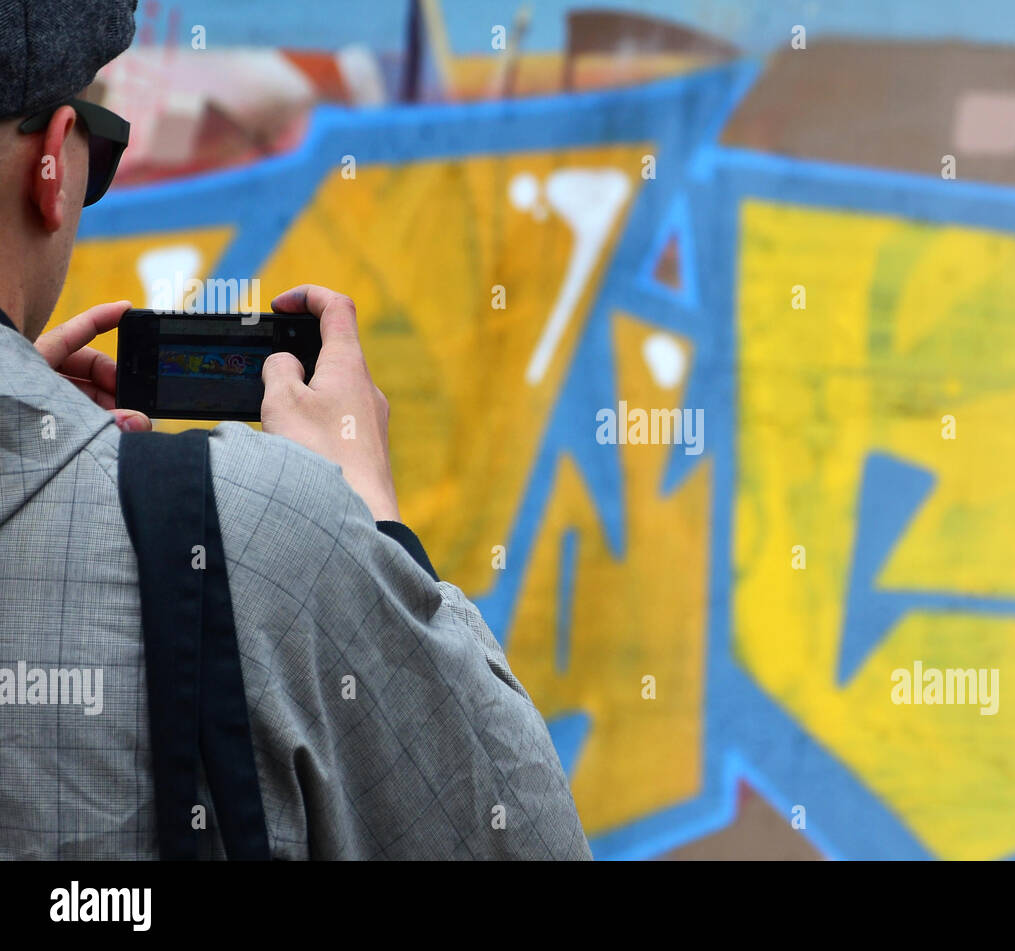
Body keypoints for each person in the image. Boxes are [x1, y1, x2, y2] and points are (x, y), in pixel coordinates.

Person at [0, 0, 591, 859]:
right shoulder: (258, 541)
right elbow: (520, 838)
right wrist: (369, 528)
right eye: (102, 149)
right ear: (52, 167)